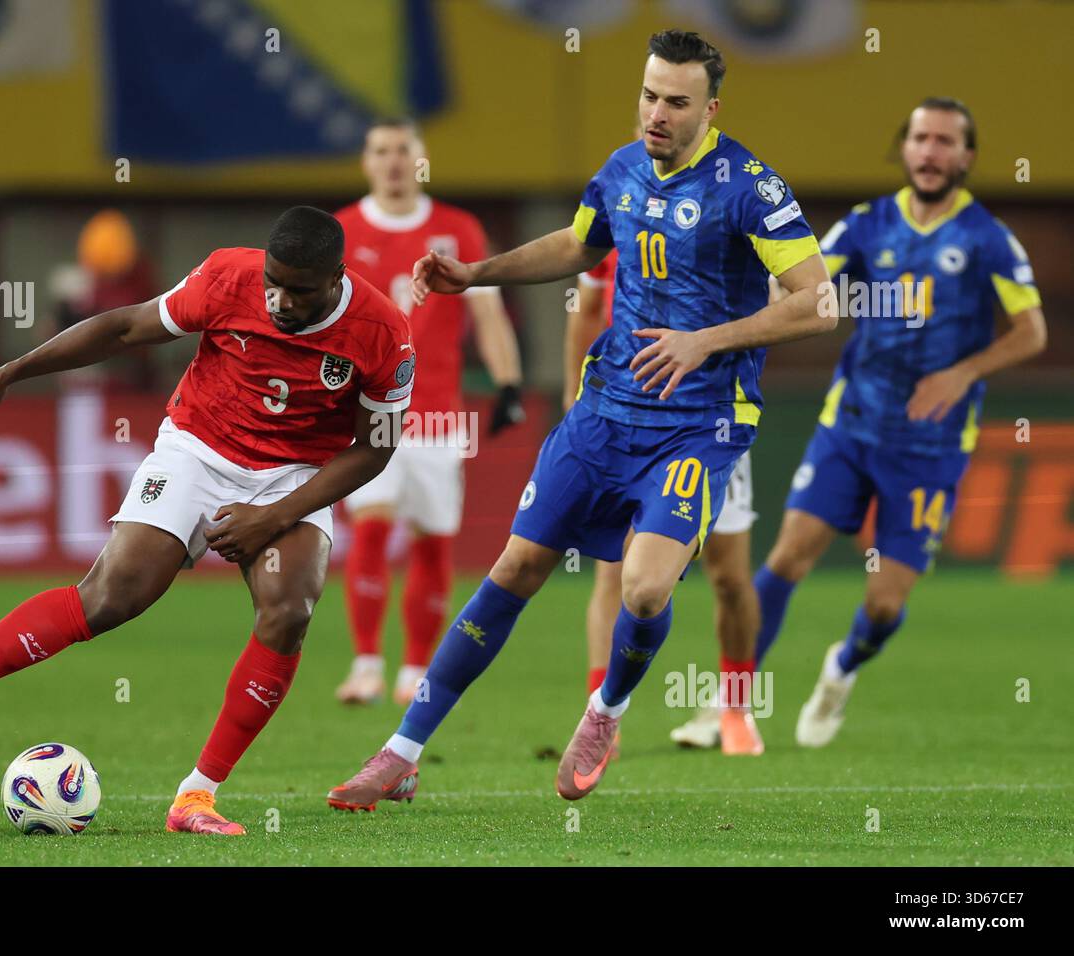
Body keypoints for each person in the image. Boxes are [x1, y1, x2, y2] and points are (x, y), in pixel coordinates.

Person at [327, 29, 835, 811]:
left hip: (696, 424)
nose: (655, 113)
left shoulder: (749, 186)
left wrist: (707, 341)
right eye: (648, 94)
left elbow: (817, 301)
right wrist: (476, 274)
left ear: (711, 108)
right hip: (603, 412)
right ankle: (401, 752)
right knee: (515, 569)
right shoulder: (622, 169)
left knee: (642, 591)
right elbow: (575, 244)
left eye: (675, 101)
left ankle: (605, 712)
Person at [0, 207, 417, 836]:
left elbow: (377, 445)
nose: (280, 299)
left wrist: (275, 515)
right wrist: (13, 371)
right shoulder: (230, 276)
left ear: (337, 276)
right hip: (198, 449)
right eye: (273, 283)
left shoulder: (382, 333)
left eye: (300, 291)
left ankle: (195, 798)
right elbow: (123, 329)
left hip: (290, 476)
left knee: (290, 611)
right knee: (113, 597)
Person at [749, 98, 1047, 747]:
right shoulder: (866, 224)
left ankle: (842, 667)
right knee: (787, 556)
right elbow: (806, 287)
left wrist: (965, 372)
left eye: (946, 141)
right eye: (921, 139)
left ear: (966, 156)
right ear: (905, 149)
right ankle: (730, 699)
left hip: (930, 444)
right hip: (850, 423)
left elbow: (1032, 332)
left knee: (884, 605)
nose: (932, 152)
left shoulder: (987, 239)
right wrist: (764, 299)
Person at [334, 118, 525, 707]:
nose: (393, 162)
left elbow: (489, 316)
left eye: (403, 151)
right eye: (382, 151)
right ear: (367, 162)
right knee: (372, 521)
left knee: (433, 538)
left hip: (438, 411)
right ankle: (366, 662)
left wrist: (509, 384)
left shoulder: (457, 229)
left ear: (421, 161)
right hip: (367, 410)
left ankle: (414, 667)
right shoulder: (341, 230)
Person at [571, 249, 762, 756]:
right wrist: (578, 404)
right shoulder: (613, 224)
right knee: (614, 573)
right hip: (624, 427)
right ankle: (599, 720)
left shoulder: (730, 223)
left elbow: (786, 310)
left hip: (710, 428)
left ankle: (737, 707)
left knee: (729, 578)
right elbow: (586, 315)